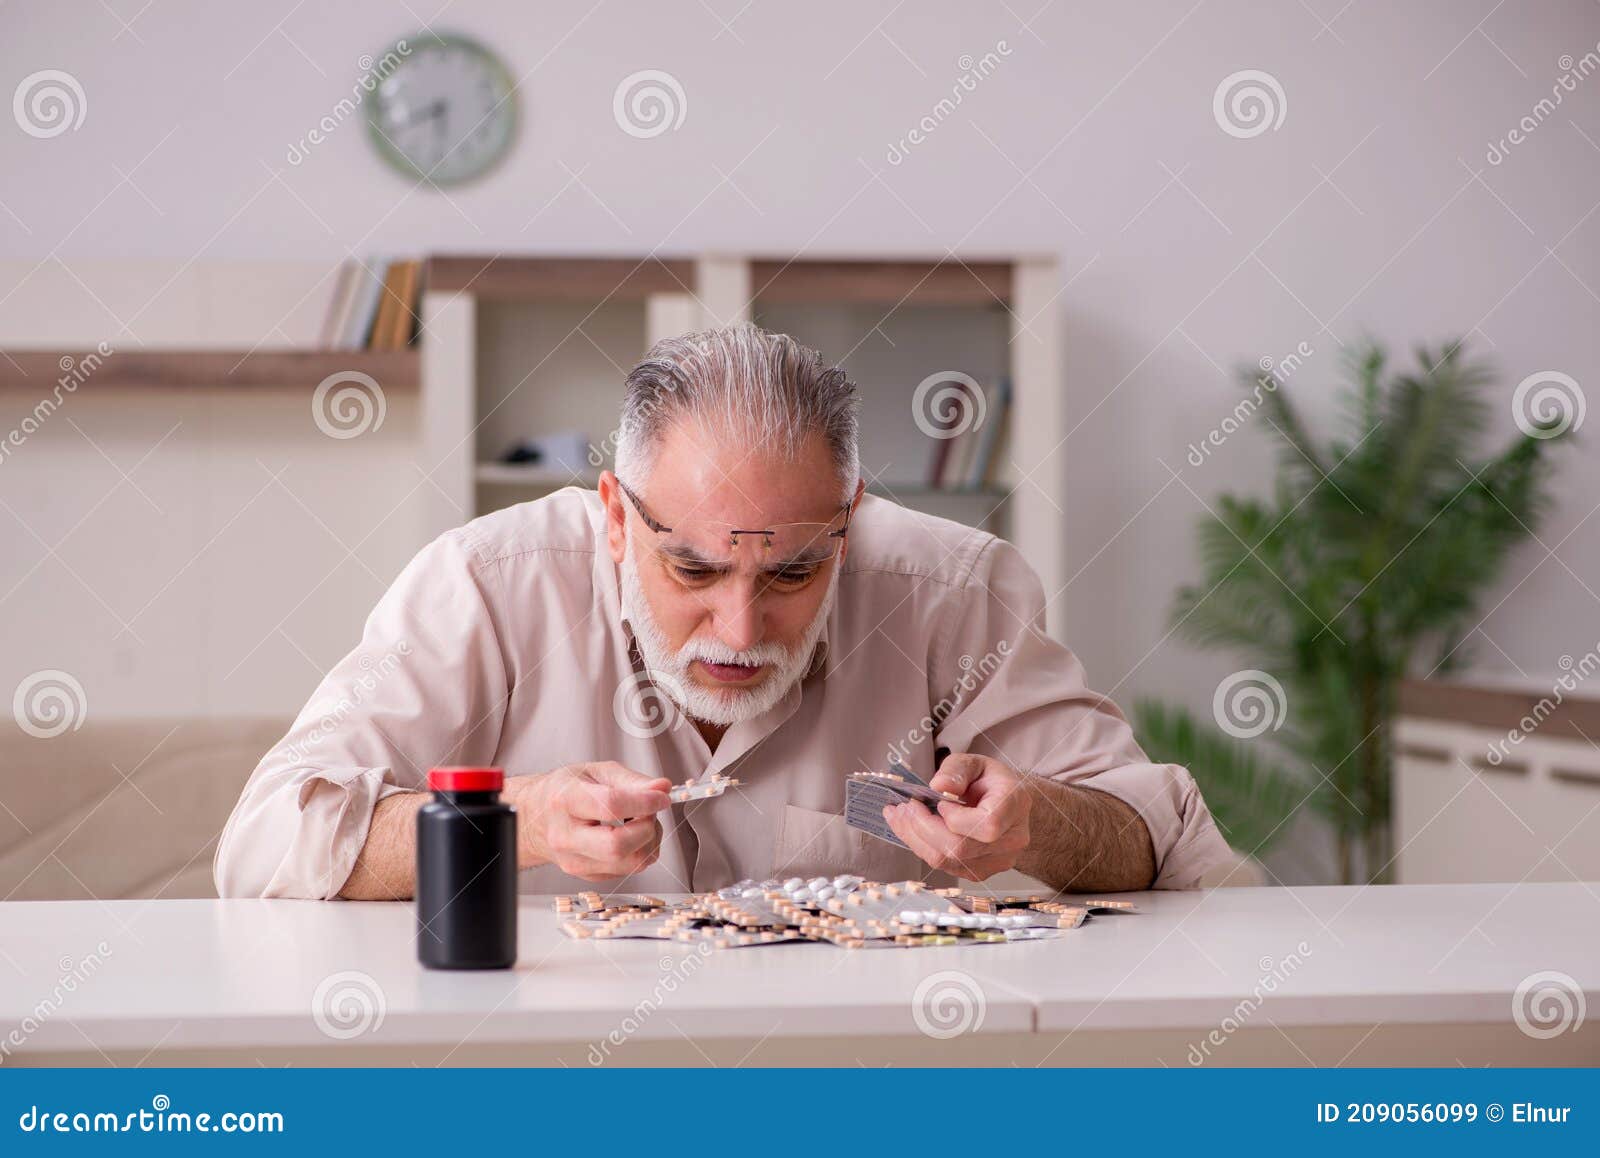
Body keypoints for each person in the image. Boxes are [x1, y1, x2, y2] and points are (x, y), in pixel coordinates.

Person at [214, 324, 1235, 900]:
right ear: (615, 516)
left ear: (855, 517)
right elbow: (262, 848)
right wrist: (509, 822)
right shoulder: (485, 584)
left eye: (794, 574)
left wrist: (1037, 825)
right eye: (693, 570)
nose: (740, 633)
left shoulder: (952, 590)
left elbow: (1163, 840)